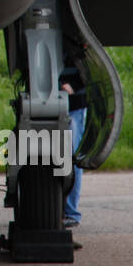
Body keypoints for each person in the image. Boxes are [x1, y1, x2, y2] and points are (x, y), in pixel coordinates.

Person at [58, 58, 87, 227]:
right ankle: (65, 210)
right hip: (53, 100)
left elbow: (93, 63)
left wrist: (74, 85)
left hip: (73, 104)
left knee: (70, 157)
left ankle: (70, 212)